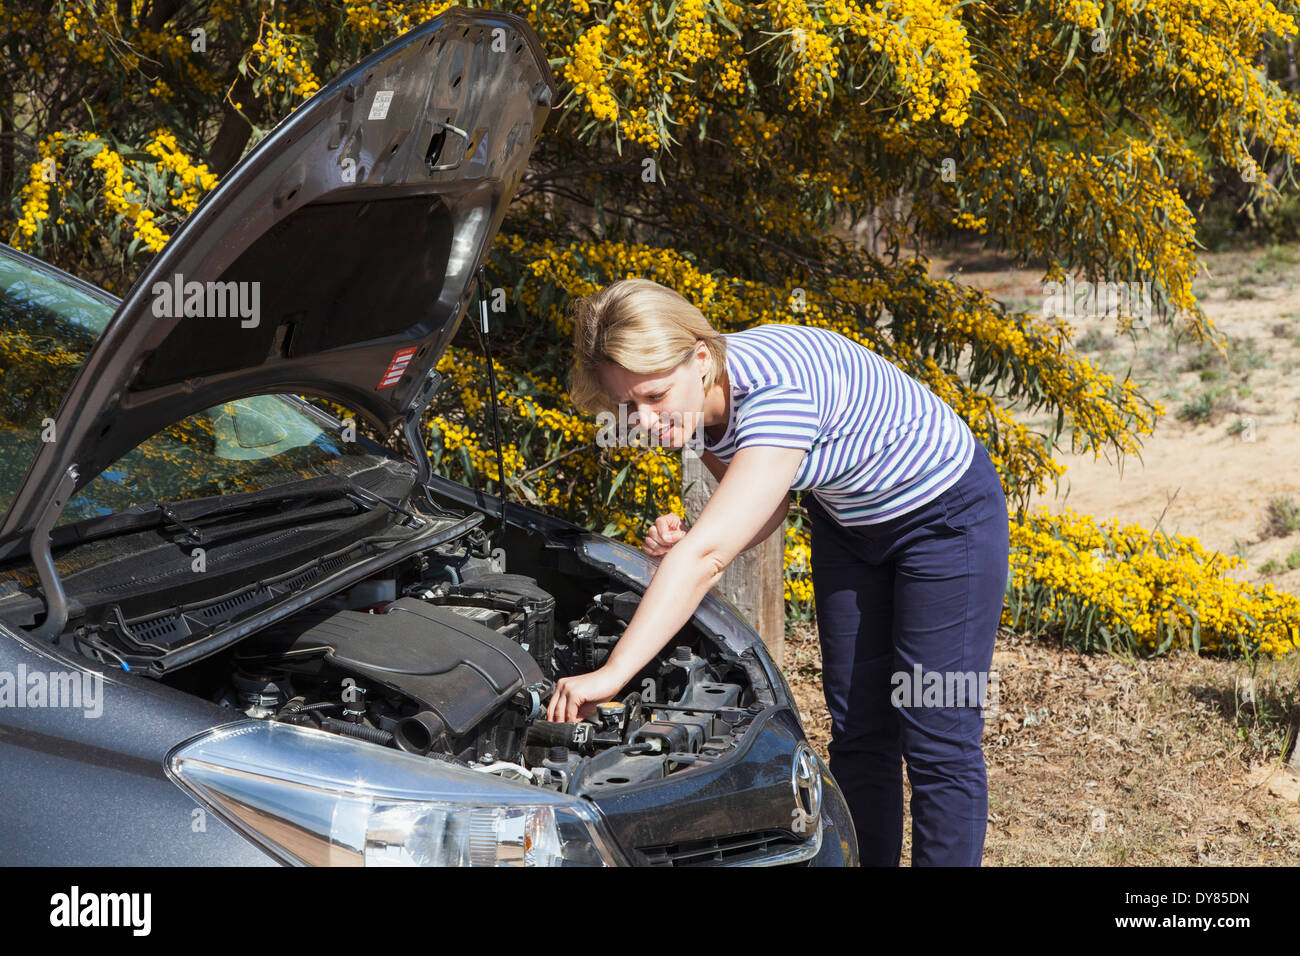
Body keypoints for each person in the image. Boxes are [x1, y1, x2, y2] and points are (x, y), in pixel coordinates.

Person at [546, 277, 1010, 866]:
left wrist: (611, 675)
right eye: (628, 405)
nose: (645, 421)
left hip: (947, 519)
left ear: (701, 358)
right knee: (859, 732)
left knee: (937, 729)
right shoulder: (704, 401)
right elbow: (765, 510)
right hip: (850, 524)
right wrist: (696, 540)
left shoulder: (776, 395)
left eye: (656, 397)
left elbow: (710, 560)